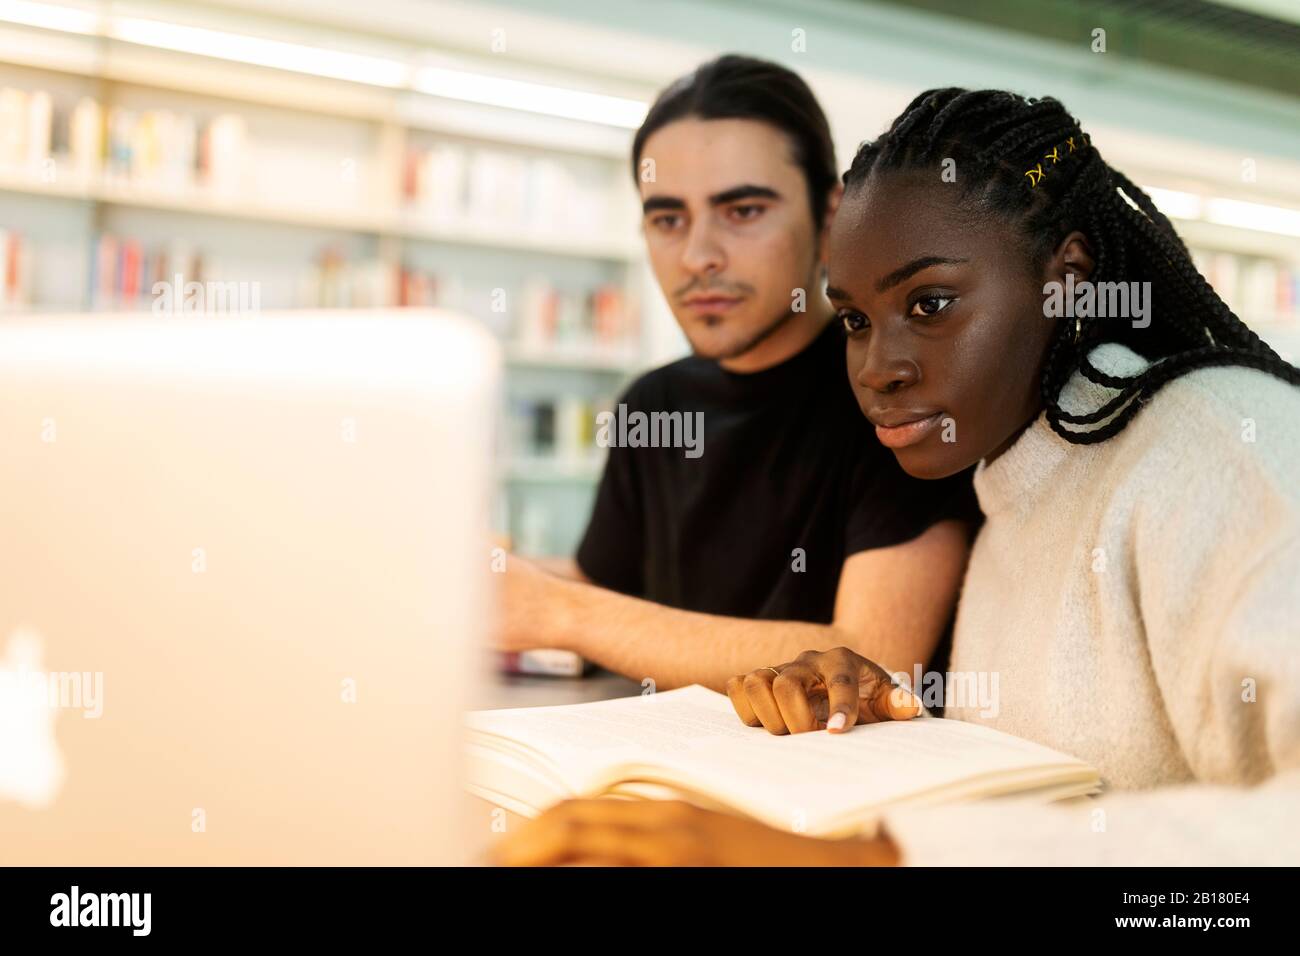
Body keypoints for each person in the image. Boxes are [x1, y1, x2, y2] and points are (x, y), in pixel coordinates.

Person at [494, 88, 1300, 866]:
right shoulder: (1011, 474)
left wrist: (867, 863)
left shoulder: (1220, 446)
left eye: (931, 304)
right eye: (854, 320)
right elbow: (1060, 781)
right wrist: (890, 708)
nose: (876, 370)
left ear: (1068, 279)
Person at [497, 57, 978, 693]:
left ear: (832, 218)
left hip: (834, 782)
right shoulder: (653, 403)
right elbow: (604, 592)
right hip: (666, 772)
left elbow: (874, 656)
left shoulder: (893, 389)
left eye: (743, 211)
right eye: (668, 220)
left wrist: (559, 612)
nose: (698, 257)